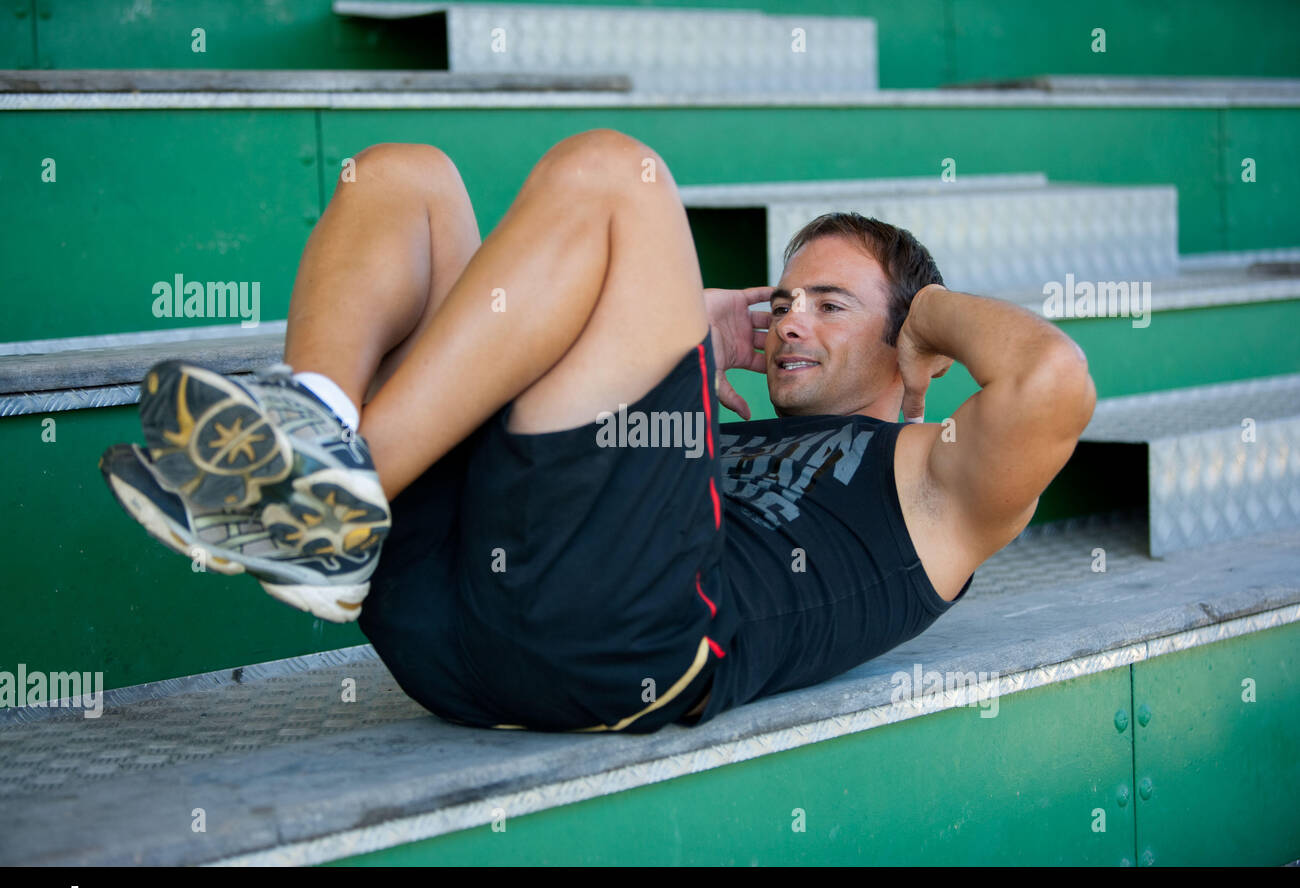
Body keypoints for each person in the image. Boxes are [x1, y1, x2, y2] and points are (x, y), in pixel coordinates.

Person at [100, 129, 1096, 733]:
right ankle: (317, 443)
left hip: (628, 646)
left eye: (831, 304)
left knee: (619, 175)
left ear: (903, 348)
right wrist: (681, 326)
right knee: (403, 179)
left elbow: (1052, 378)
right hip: (445, 632)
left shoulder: (928, 478)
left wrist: (921, 320)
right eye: (784, 297)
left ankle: (322, 493)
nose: (790, 317)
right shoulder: (714, 431)